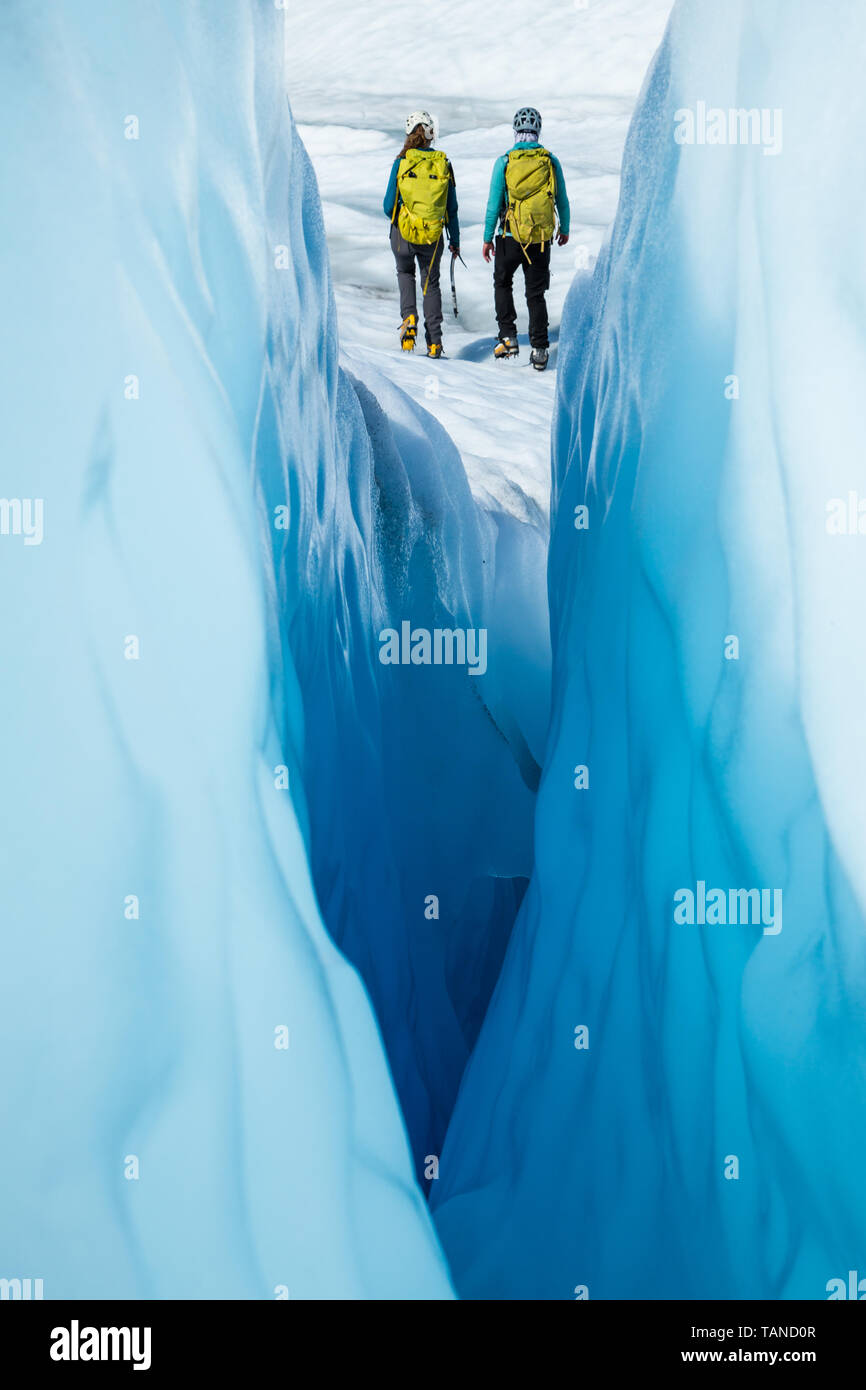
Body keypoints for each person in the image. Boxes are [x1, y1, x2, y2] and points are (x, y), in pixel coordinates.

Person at [482, 107, 570, 371]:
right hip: (540, 239)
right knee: (536, 294)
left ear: (515, 130)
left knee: (502, 283)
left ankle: (508, 337)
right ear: (538, 130)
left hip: (509, 237)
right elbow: (562, 200)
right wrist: (564, 227)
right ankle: (540, 349)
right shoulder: (550, 161)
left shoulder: (505, 161)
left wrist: (488, 238)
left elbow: (493, 203)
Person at [384, 111, 460, 359]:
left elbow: (388, 205)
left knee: (405, 273)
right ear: (430, 134)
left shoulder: (401, 162)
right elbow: (451, 209)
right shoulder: (443, 163)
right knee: (431, 284)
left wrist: (403, 220)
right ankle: (434, 342)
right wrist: (455, 240)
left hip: (403, 236)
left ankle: (408, 325)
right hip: (433, 236)